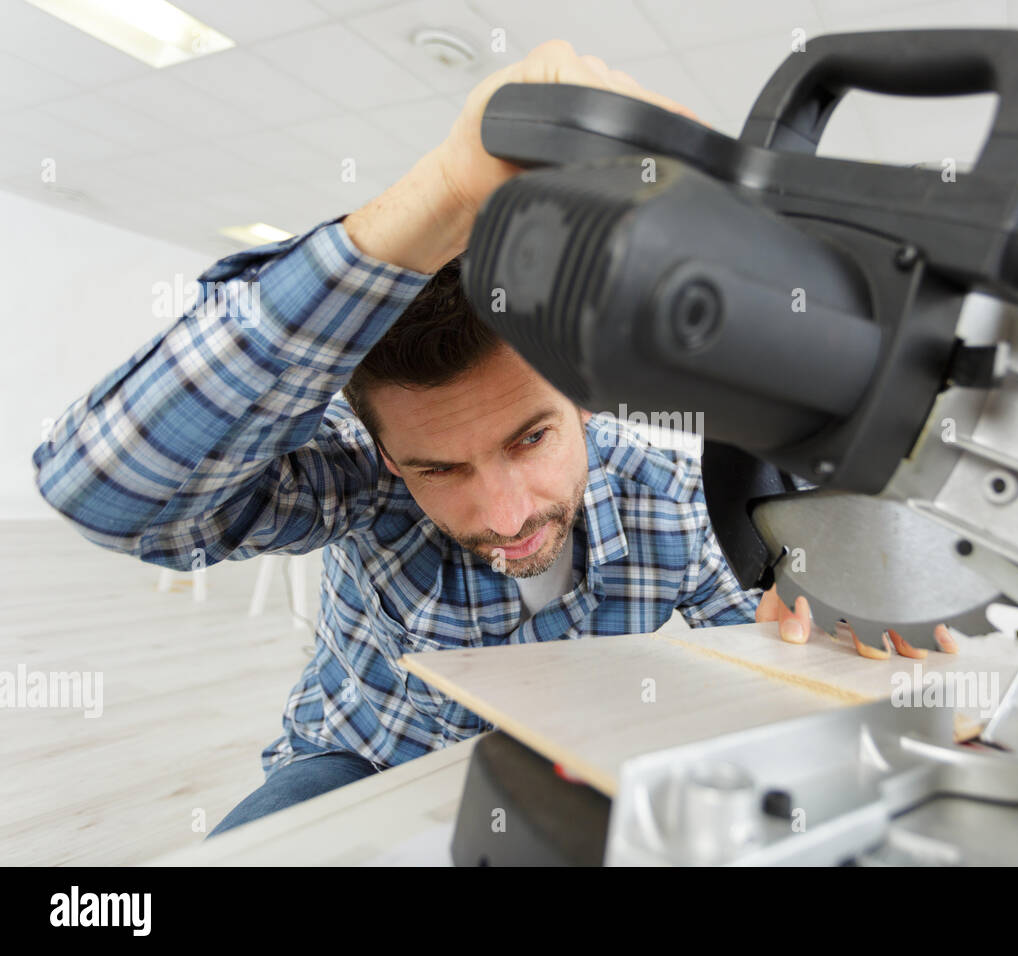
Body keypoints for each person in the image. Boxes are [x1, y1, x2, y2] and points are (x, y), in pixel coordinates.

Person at [31, 39, 817, 837]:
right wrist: (443, 192)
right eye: (438, 467)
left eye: (529, 439)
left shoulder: (673, 502)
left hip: (567, 770)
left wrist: (815, 638)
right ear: (382, 454)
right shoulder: (365, 483)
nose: (506, 516)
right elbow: (105, 490)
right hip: (361, 758)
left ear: (584, 399)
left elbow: (770, 648)